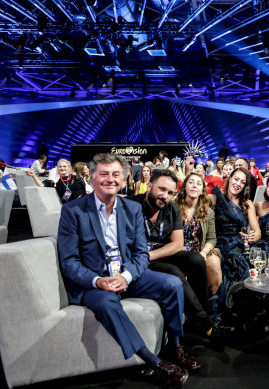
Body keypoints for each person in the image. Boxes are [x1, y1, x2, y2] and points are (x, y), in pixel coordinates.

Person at [57, 153, 191, 386]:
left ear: (124, 178)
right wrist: (98, 281)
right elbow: (69, 261)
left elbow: (140, 255)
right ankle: (155, 363)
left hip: (126, 275)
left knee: (173, 283)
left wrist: (127, 276)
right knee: (106, 303)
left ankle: (175, 347)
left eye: (116, 174)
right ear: (92, 177)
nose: (110, 179)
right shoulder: (73, 211)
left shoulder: (131, 209)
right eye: (104, 174)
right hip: (95, 282)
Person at [130, 169, 230, 342]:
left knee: (196, 259)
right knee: (175, 272)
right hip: (137, 256)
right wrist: (143, 257)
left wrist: (150, 255)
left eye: (170, 192)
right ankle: (206, 325)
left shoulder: (172, 208)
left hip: (157, 253)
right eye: (161, 189)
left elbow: (177, 244)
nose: (165, 196)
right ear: (149, 185)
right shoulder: (131, 205)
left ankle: (202, 315)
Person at [209, 168, 261, 313]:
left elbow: (257, 232)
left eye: (242, 182)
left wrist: (253, 237)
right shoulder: (216, 196)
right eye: (236, 179)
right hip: (221, 243)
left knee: (255, 256)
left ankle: (251, 309)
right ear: (230, 178)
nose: (238, 184)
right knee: (235, 261)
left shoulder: (247, 203)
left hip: (242, 242)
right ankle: (230, 310)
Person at [176, 172, 223, 297]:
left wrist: (203, 252)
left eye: (198, 184)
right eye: (190, 182)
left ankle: (213, 304)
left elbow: (212, 239)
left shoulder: (208, 212)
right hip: (179, 250)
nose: (194, 186)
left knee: (213, 261)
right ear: (185, 186)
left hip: (200, 249)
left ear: (202, 191)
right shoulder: (173, 207)